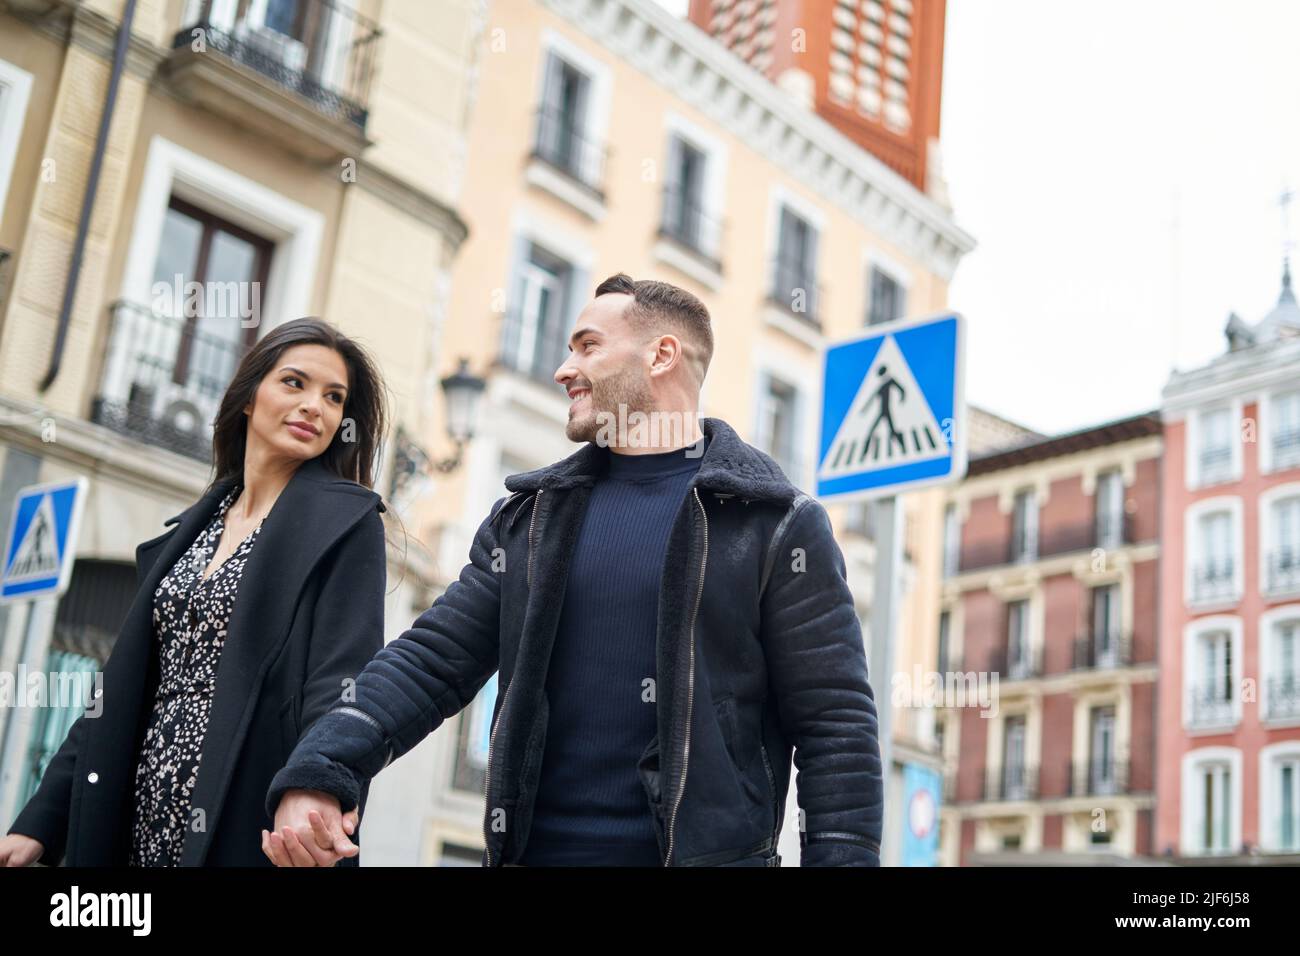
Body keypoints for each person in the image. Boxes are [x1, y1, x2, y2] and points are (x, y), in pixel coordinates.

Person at [266, 274, 883, 867]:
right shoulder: (530, 518)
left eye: (588, 346)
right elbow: (432, 660)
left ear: (661, 355)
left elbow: (836, 725)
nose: (565, 369)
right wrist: (323, 768)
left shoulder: (773, 522)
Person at [0, 317, 389, 867]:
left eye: (334, 397)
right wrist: (40, 821)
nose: (314, 407)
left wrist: (319, 783)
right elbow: (116, 693)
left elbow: (342, 679)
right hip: (135, 818)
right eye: (294, 383)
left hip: (245, 819)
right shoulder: (189, 533)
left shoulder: (346, 523)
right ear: (249, 397)